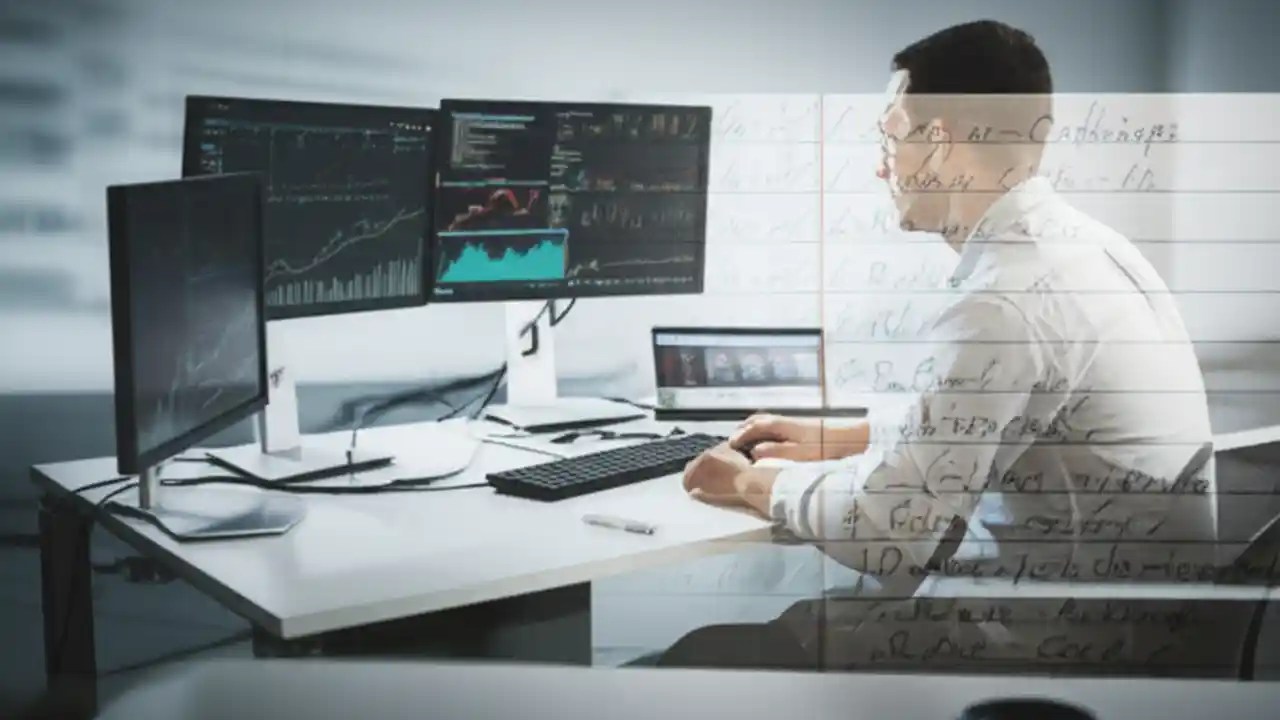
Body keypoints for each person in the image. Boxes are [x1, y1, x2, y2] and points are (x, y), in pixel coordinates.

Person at [664, 19, 1219, 671]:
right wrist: (836, 437)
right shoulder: (1090, 250)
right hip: (1141, 632)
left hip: (1052, 656)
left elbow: (892, 530)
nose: (881, 164)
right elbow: (1004, 423)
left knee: (701, 656)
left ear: (939, 142)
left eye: (889, 137)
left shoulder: (1003, 296)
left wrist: (755, 480)